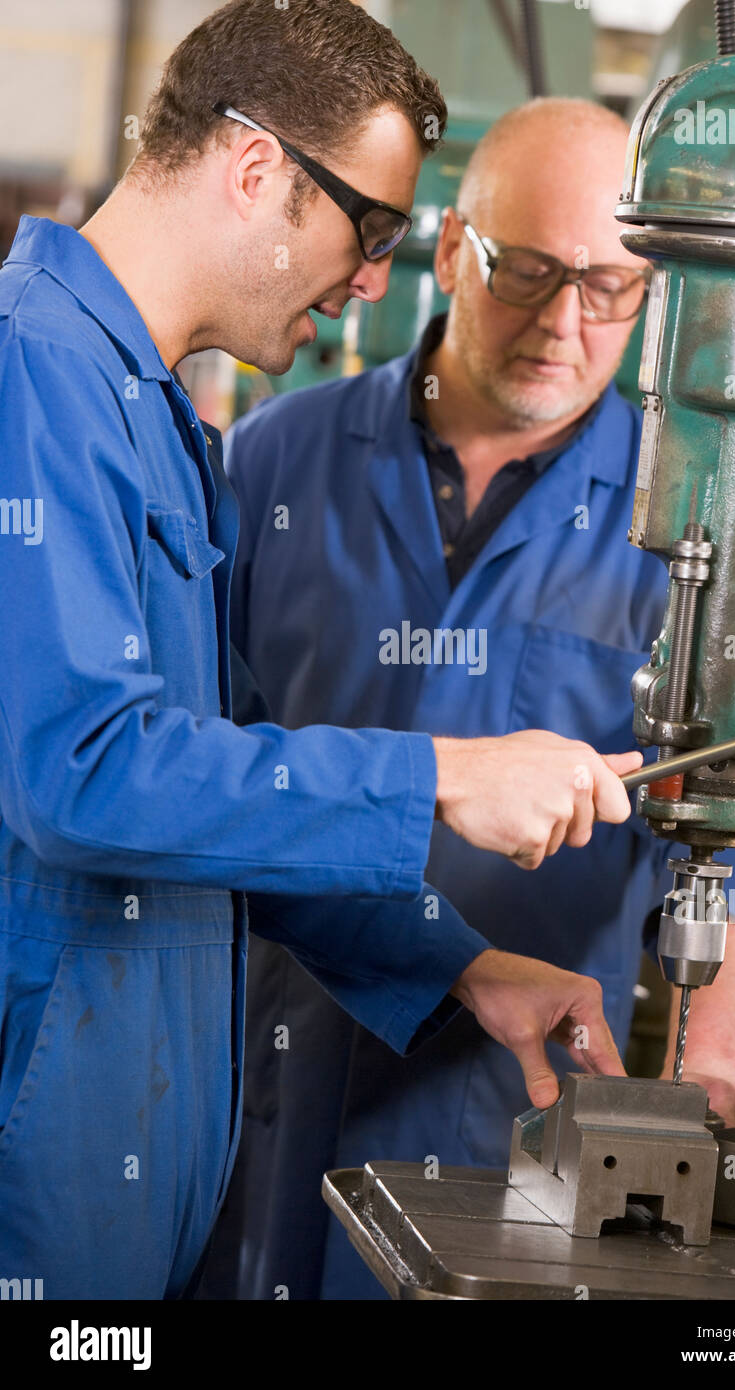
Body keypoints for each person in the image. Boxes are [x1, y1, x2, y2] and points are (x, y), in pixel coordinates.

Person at [0, 3, 643, 1301]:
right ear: (254, 170)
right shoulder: (32, 373)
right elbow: (80, 772)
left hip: (134, 1203)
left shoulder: (154, 421)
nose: (370, 283)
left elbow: (225, 794)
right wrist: (440, 775)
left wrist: (457, 961)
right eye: (374, 232)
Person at [202, 96, 735, 1300]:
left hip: (503, 1100)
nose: (562, 323)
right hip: (259, 1057)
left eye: (608, 287)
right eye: (524, 271)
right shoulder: (275, 459)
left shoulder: (683, 526)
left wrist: (718, 1056)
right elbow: (190, 756)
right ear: (450, 243)